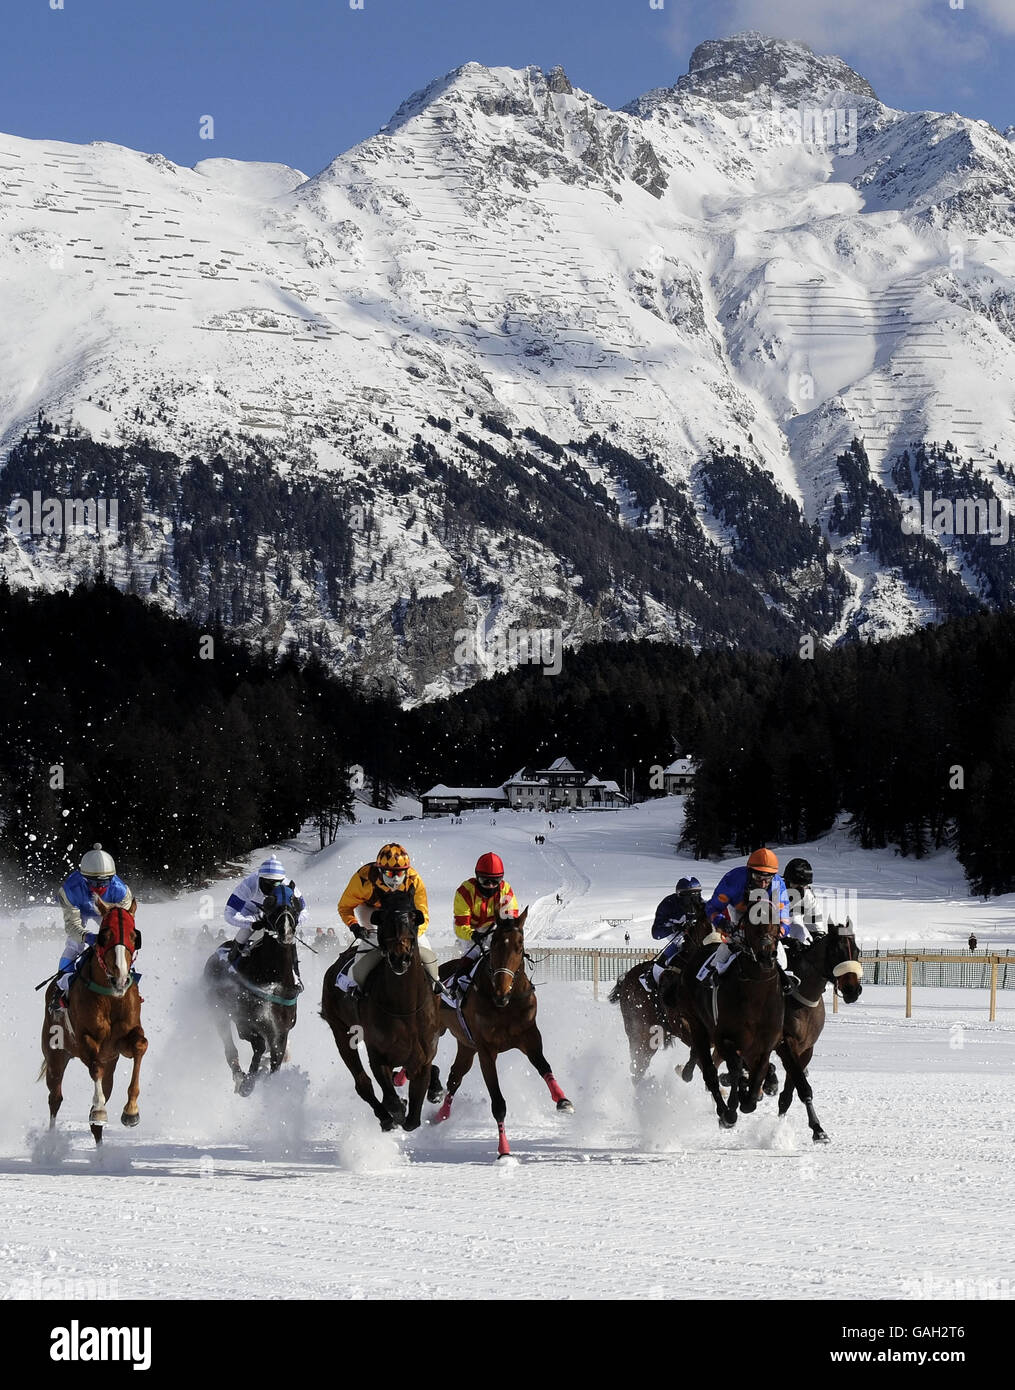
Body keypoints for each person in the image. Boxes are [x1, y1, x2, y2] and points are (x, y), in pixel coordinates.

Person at [335, 843, 445, 998]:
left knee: (423, 944)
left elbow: (422, 914)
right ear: (380, 870)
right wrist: (354, 926)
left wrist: (413, 934)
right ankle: (353, 983)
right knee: (370, 940)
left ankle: (435, 982)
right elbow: (344, 907)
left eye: (400, 874)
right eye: (389, 873)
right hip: (373, 911)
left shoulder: (414, 879)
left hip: (404, 916)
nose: (395, 879)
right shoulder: (362, 879)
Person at [52, 843, 135, 1013]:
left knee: (122, 943)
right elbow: (72, 925)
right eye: (94, 882)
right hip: (79, 909)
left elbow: (124, 925)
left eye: (104, 882)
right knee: (74, 945)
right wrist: (87, 937)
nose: (99, 887)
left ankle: (131, 979)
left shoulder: (121, 892)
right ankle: (62, 988)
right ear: (84, 878)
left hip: (107, 910)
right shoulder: (69, 890)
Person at [705, 848, 798, 992]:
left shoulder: (778, 885)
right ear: (749, 872)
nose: (762, 883)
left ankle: (784, 977)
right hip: (738, 911)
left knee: (778, 950)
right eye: (758, 877)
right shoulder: (733, 879)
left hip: (767, 917)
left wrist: (777, 934)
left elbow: (785, 920)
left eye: (767, 879)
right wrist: (722, 923)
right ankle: (713, 971)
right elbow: (712, 907)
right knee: (731, 940)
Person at [221, 855, 305, 990]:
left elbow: (304, 912)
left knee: (289, 937)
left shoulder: (288, 886)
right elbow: (229, 914)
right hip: (250, 913)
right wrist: (250, 923)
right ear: (260, 878)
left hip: (275, 915)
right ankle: (233, 958)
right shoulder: (248, 885)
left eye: (277, 883)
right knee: (247, 931)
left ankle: (295, 974)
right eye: (269, 883)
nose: (273, 887)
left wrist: (292, 921)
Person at [447, 853, 521, 1003]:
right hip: (470, 931)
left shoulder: (505, 890)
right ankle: (457, 985)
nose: (490, 886)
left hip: (495, 929)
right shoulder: (465, 892)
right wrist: (473, 935)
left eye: (495, 881)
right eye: (485, 881)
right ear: (476, 877)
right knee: (473, 952)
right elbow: (461, 926)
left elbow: (510, 923)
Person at [650, 877, 703, 986]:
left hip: (701, 941)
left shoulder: (704, 905)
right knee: (657, 969)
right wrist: (674, 928)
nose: (693, 901)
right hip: (678, 941)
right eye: (689, 898)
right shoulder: (668, 905)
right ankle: (654, 987)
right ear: (680, 896)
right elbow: (656, 933)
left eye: (696, 896)